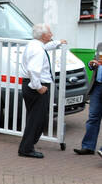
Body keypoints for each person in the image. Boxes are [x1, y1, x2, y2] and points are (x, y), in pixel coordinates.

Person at [18, 23, 68, 158]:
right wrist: (39, 88)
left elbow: (46, 47)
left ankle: (27, 146)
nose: (51, 34)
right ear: (44, 35)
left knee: (34, 118)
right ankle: (26, 148)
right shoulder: (38, 50)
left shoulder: (34, 45)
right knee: (37, 120)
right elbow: (34, 71)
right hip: (36, 87)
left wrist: (57, 43)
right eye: (50, 33)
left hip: (29, 86)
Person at [73, 42, 102, 155]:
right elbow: (96, 63)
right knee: (93, 117)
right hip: (97, 86)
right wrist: (92, 64)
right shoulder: (100, 45)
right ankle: (88, 146)